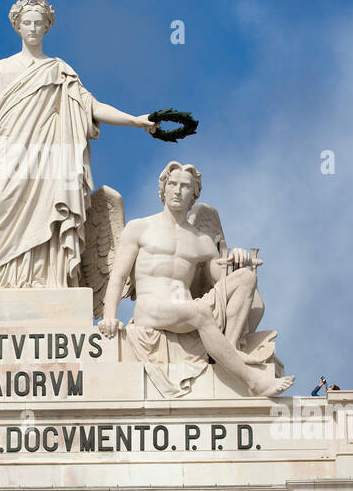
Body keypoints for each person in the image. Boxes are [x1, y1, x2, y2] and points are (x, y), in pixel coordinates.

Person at [0, 0, 156, 289]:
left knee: (49, 213)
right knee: (2, 210)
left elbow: (93, 107)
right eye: (27, 23)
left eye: (39, 23)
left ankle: (49, 279)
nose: (33, 28)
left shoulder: (60, 71)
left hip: (51, 158)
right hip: (12, 156)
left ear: (47, 27)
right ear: (17, 26)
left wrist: (135, 120)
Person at [98, 161, 294, 397]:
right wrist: (109, 317)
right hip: (151, 310)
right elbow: (118, 276)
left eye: (184, 186)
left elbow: (222, 281)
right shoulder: (140, 228)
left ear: (194, 193)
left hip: (185, 311)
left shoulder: (201, 241)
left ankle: (228, 349)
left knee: (245, 278)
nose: (177, 190)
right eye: (172, 184)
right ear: (163, 188)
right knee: (199, 312)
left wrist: (238, 260)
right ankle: (253, 381)